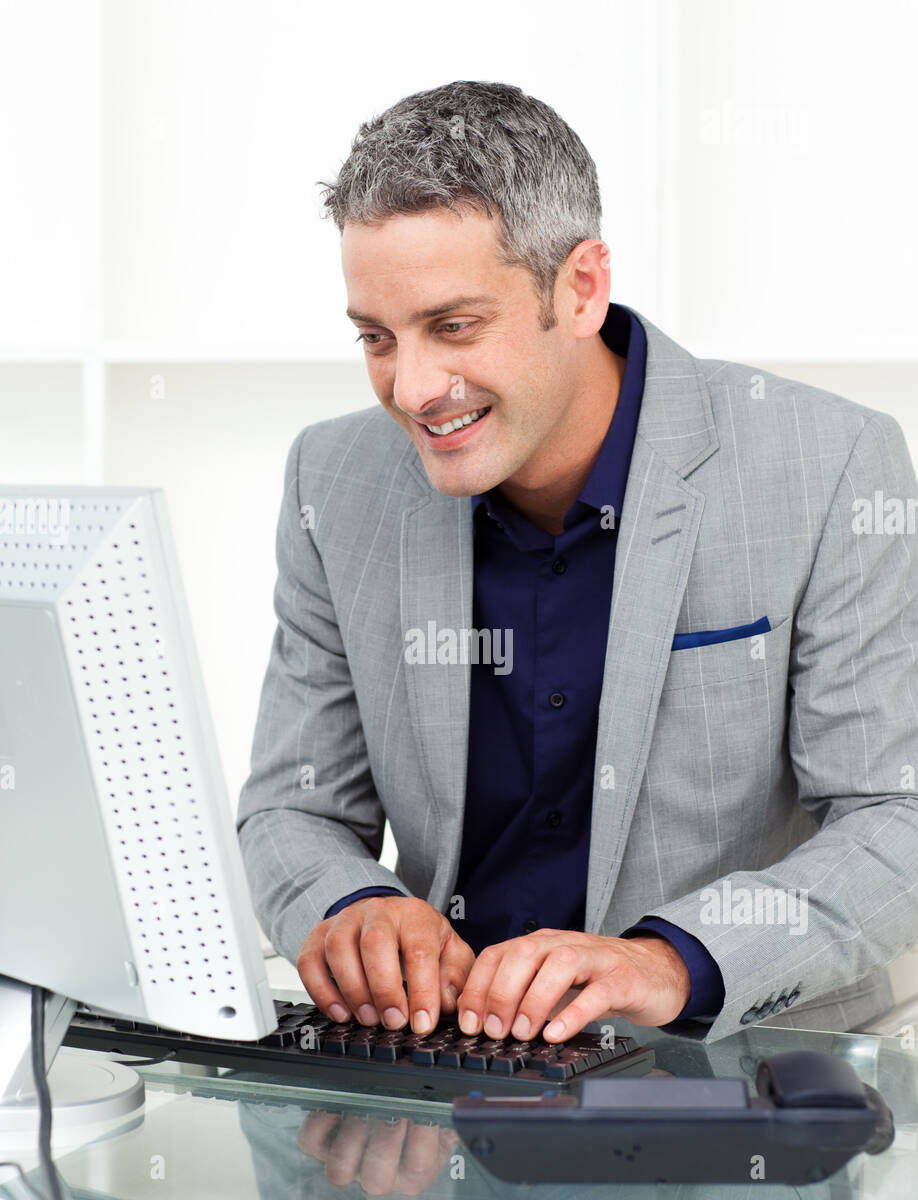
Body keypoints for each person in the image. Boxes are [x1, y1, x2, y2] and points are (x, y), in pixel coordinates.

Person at [236, 80, 918, 1047]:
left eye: (455, 326)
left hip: (726, 1086)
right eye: (377, 339)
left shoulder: (828, 463)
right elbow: (289, 807)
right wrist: (351, 905)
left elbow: (896, 818)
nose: (415, 387)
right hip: (440, 1076)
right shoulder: (332, 479)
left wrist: (670, 959)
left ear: (582, 288)